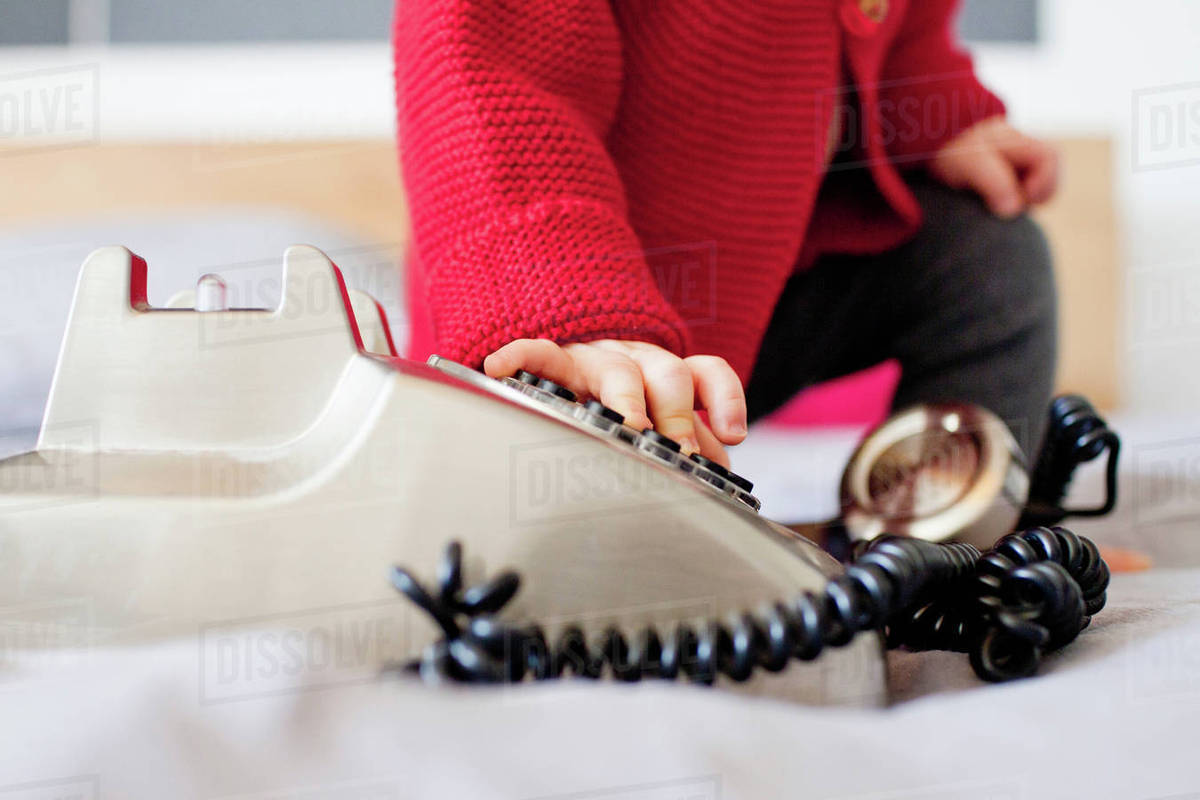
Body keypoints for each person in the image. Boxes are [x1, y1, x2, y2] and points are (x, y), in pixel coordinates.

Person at [394, 0, 1060, 465]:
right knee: (565, 495)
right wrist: (562, 301)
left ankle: (937, 544)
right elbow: (484, 74)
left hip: (739, 322)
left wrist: (934, 112)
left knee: (988, 257)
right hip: (562, 329)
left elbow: (890, 25)